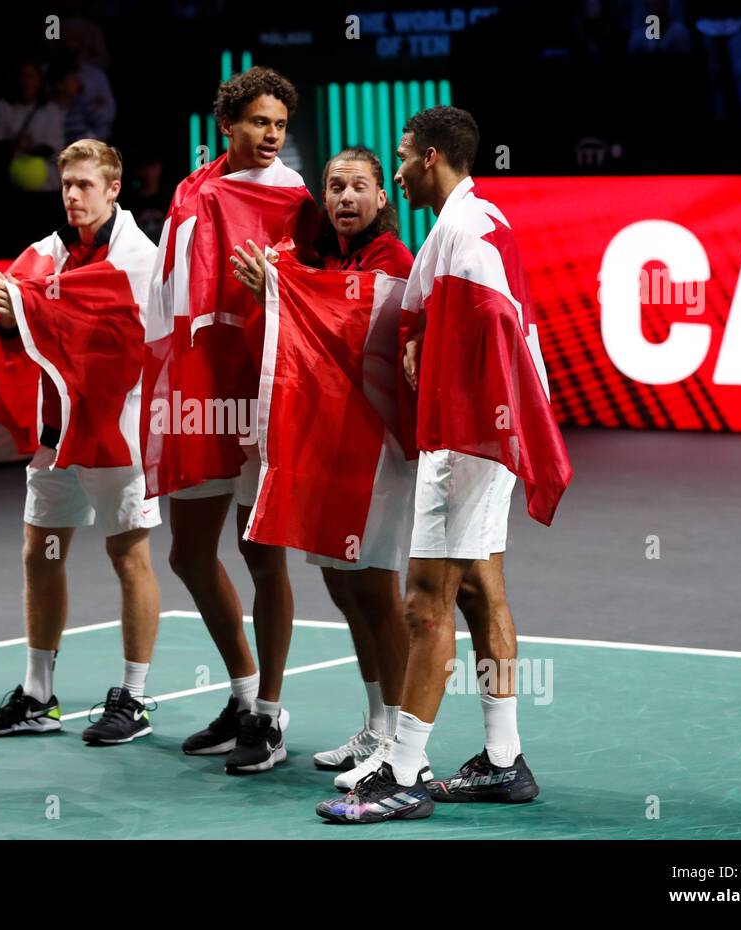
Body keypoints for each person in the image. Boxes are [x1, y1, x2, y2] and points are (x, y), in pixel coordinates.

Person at [317, 106, 572, 824]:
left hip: (466, 437)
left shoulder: (464, 232)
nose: (396, 170)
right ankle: (502, 758)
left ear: (430, 157)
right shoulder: (473, 223)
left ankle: (403, 771)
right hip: (478, 432)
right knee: (479, 594)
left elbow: (493, 324)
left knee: (423, 603)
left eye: (401, 157)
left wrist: (456, 392)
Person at [141, 66, 322, 774]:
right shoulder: (195, 191)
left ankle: (271, 716)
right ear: (228, 125)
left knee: (260, 553)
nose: (271, 134)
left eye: (279, 123)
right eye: (258, 122)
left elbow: (315, 290)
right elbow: (172, 294)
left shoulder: (298, 201)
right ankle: (244, 697)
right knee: (187, 552)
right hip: (202, 385)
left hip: (263, 387)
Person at [0, 139, 163, 745]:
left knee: (127, 556)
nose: (73, 196)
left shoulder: (138, 256)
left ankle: (134, 697)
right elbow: (28, 323)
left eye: (85, 185)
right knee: (41, 552)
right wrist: (7, 313)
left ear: (114, 188)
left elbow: (102, 320)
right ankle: (37, 695)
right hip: (58, 433)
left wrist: (26, 302)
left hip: (115, 430)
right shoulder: (44, 252)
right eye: (66, 186)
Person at [231, 146, 415, 788]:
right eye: (335, 187)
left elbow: (350, 316)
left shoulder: (392, 262)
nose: (344, 199)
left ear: (381, 199)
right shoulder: (320, 261)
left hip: (379, 453)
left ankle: (398, 738)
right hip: (331, 447)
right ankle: (375, 724)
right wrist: (280, 284)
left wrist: (284, 286)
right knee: (344, 588)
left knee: (376, 592)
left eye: (359, 187)